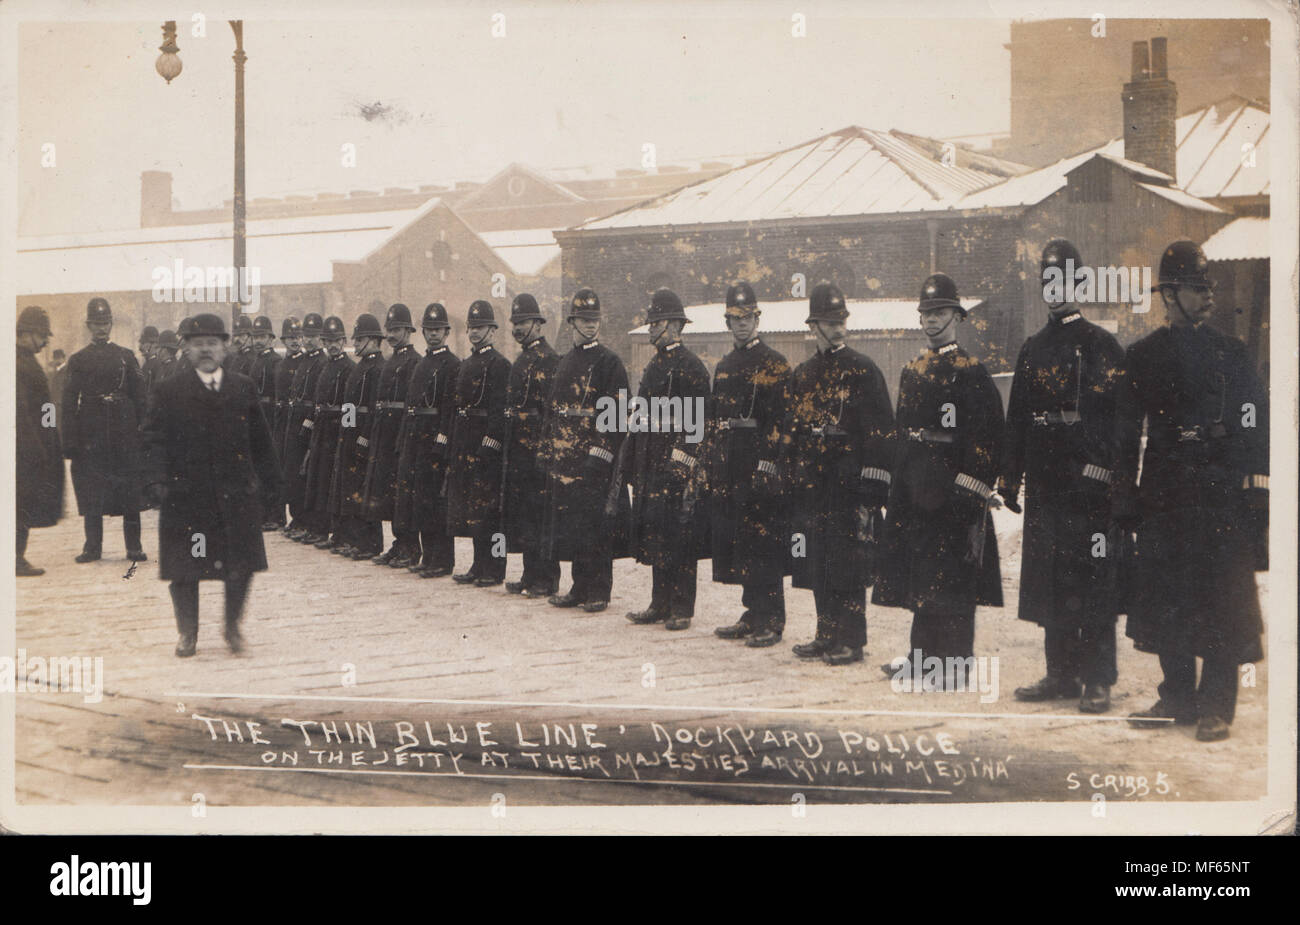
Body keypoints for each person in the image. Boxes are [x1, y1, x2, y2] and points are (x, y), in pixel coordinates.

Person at [1118, 241, 1268, 743]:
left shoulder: (1233, 354)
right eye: (1198, 289)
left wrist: (1255, 484)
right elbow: (1124, 431)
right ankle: (1177, 695)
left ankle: (1216, 705)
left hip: (1219, 491)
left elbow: (1255, 422)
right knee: (1165, 594)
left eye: (1210, 289)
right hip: (1164, 492)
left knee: (1223, 598)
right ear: (1170, 294)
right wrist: (1123, 496)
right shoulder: (1142, 358)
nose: (1208, 297)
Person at [999, 240, 1125, 714]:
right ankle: (1060, 673)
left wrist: (1103, 470)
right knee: (1052, 578)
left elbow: (1120, 419)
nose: (1055, 291)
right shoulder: (1033, 348)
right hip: (1048, 485)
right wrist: (1010, 479)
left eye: (1064, 281)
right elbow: (1017, 419)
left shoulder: (1100, 345)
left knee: (1092, 580)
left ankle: (1098, 678)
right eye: (1047, 282)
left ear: (1080, 285)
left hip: (1088, 486)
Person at [874, 273, 1004, 676]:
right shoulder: (912, 370)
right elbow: (902, 431)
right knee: (922, 576)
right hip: (916, 489)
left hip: (953, 492)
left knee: (954, 579)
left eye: (941, 312)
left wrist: (971, 487)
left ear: (956, 317)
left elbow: (988, 436)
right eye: (927, 313)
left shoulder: (971, 372)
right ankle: (922, 658)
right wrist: (898, 484)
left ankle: (957, 663)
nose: (932, 320)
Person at [141, 313, 281, 657]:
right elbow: (153, 439)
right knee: (185, 568)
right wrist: (157, 479)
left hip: (236, 495)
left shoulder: (243, 387)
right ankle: (188, 632)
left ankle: (232, 627)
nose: (206, 350)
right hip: (187, 497)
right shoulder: (169, 390)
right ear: (186, 349)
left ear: (225, 348)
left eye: (213, 343)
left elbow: (260, 441)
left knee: (240, 565)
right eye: (198, 344)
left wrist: (271, 486)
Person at [783, 283, 895, 665]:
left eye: (841, 321)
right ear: (813, 326)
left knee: (848, 563)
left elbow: (882, 433)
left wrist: (872, 488)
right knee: (817, 559)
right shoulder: (804, 373)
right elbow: (795, 429)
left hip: (850, 483)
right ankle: (825, 633)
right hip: (815, 482)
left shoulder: (863, 370)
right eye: (828, 323)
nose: (836, 329)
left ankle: (852, 640)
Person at [708, 282, 793, 647]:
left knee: (764, 542)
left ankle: (772, 617)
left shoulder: (775, 364)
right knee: (741, 540)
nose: (742, 324)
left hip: (762, 465)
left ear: (757, 319)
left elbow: (783, 420)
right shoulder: (724, 366)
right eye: (735, 318)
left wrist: (769, 463)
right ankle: (752, 610)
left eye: (748, 317)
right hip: (732, 465)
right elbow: (715, 418)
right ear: (728, 322)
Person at [624, 288, 712, 631]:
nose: (649, 329)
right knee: (656, 532)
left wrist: (682, 459)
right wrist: (634, 458)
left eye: (655, 322)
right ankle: (659, 603)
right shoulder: (654, 364)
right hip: (651, 457)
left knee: (680, 535)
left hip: (676, 463)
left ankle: (681, 607)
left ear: (674, 325)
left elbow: (700, 420)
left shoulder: (690, 366)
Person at [540, 288, 630, 613]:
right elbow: (553, 410)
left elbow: (616, 413)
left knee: (596, 526)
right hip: (566, 458)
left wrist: (601, 452)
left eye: (594, 320)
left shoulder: (610, 362)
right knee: (573, 523)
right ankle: (579, 586)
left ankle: (599, 590)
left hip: (594, 459)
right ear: (572, 322)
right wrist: (548, 450)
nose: (590, 326)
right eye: (583, 320)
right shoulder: (565, 362)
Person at [62, 297, 148, 563]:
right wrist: (71, 441)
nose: (101, 328)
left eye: (105, 323)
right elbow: (67, 402)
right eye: (96, 323)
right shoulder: (77, 360)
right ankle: (92, 547)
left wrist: (142, 432)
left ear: (111, 324)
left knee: (129, 490)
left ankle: (133, 546)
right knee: (92, 490)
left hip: (123, 434)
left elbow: (141, 397)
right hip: (92, 435)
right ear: (89, 326)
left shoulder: (125, 357)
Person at [445, 300, 512, 586]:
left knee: (490, 511)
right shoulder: (466, 364)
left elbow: (500, 409)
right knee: (473, 507)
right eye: (471, 327)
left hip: (486, 444)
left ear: (492, 330)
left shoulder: (499, 365)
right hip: (465, 441)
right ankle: (477, 563)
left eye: (480, 327)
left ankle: (495, 568)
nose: (474, 332)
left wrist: (491, 442)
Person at [393, 303, 460, 577]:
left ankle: (442, 560)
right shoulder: (421, 363)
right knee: (419, 499)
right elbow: (411, 405)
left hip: (434, 438)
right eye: (429, 330)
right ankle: (428, 555)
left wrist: (442, 439)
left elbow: (448, 407)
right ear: (423, 332)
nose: (434, 334)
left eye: (438, 330)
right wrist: (403, 440)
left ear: (446, 332)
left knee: (435, 501)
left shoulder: (452, 364)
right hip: (415, 437)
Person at [502, 294, 560, 596]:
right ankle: (529, 574)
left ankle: (546, 578)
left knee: (540, 514)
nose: (518, 328)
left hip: (538, 448)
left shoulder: (549, 360)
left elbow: (551, 411)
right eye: (515, 323)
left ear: (538, 324)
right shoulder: (521, 360)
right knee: (524, 513)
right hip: (519, 450)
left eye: (523, 322)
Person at [361, 303, 422, 565]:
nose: (392, 334)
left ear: (408, 330)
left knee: (404, 492)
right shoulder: (391, 360)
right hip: (383, 432)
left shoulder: (414, 361)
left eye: (397, 329)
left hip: (400, 432)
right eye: (389, 329)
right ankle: (399, 542)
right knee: (389, 491)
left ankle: (411, 546)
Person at [330, 314, 386, 560]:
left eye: (361, 339)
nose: (358, 343)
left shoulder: (378, 368)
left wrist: (364, 436)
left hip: (365, 433)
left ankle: (370, 543)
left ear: (374, 340)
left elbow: (375, 409)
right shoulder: (360, 366)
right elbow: (350, 405)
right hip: (351, 432)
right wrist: (346, 433)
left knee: (366, 490)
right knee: (350, 488)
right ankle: (354, 538)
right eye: (357, 339)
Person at [16, 306, 64, 576]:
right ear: (25, 334)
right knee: (21, 501)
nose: (45, 341)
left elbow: (46, 406)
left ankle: (16, 555)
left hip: (38, 442)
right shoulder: (18, 363)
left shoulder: (27, 361)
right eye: (41, 335)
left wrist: (51, 432)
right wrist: (37, 445)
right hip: (27, 447)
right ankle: (14, 557)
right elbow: (21, 411)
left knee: (24, 501)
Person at [300, 316, 355, 547]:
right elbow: (317, 401)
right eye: (328, 341)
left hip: (337, 430)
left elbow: (350, 404)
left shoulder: (349, 367)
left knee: (334, 482)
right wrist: (311, 423)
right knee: (318, 479)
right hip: (321, 428)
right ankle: (318, 528)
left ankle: (334, 531)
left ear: (343, 341)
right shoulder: (325, 366)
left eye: (336, 341)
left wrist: (347, 431)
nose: (332, 345)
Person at [281, 314, 327, 540]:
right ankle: (298, 518)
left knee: (307, 474)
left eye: (313, 336)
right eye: (306, 336)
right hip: (295, 422)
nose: (308, 341)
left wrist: (308, 423)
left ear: (321, 337)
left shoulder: (322, 362)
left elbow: (318, 398)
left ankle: (310, 521)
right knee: (294, 473)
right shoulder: (304, 362)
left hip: (309, 425)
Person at [267, 316, 304, 530]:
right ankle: (278, 515)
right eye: (290, 337)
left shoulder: (304, 363)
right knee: (278, 468)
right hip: (280, 421)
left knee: (295, 470)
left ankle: (297, 517)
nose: (295, 341)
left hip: (296, 421)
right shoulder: (280, 366)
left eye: (297, 336)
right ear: (283, 340)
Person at [138, 326, 160, 390]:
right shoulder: (146, 363)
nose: (140, 347)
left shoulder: (158, 364)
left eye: (143, 343)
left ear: (154, 344)